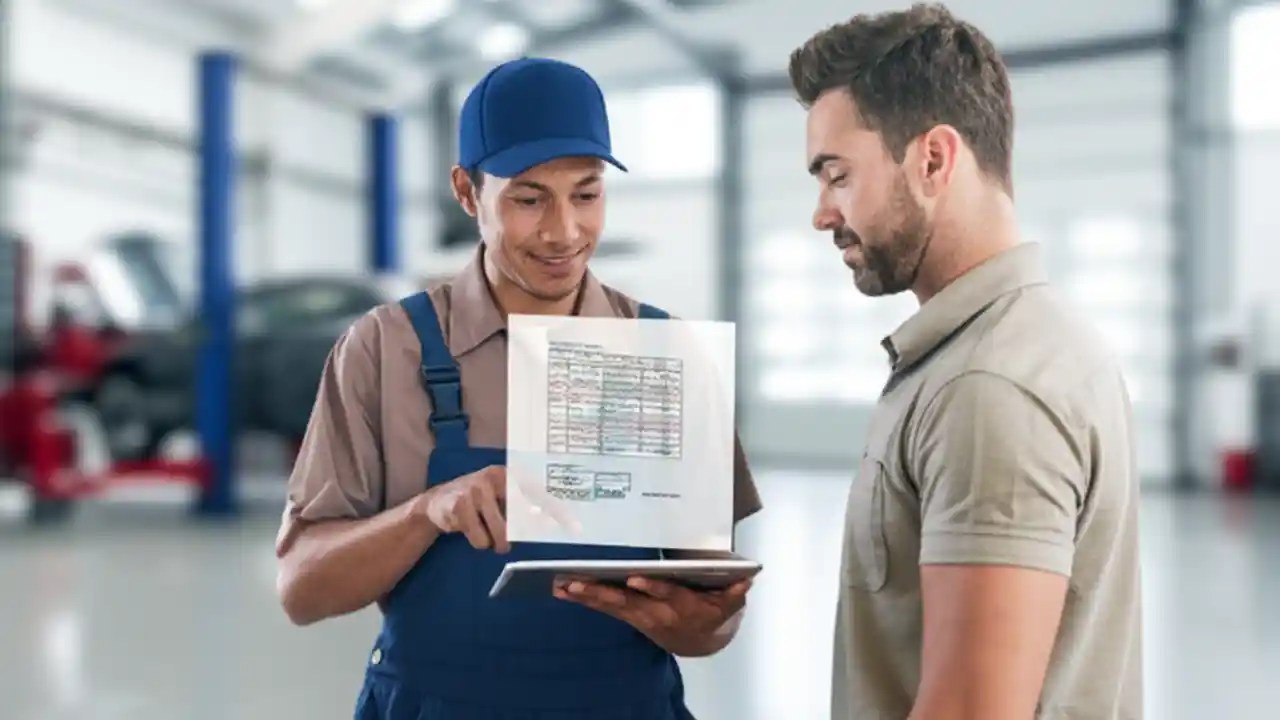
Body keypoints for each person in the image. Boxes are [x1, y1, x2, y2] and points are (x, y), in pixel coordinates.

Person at [273, 57, 763, 719]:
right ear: (468, 193)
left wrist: (699, 620)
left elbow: (708, 623)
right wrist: (427, 511)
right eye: (529, 199)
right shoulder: (387, 350)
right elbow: (303, 588)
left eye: (586, 195)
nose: (564, 232)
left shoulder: (665, 355)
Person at [787, 5, 1142, 719]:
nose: (822, 212)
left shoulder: (990, 385)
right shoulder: (1010, 346)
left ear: (933, 161)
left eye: (837, 175)